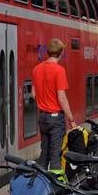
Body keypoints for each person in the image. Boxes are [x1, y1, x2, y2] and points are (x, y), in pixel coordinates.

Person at [32, 38, 76, 171]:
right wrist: (72, 120)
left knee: (44, 154)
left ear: (48, 52)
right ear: (61, 53)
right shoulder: (59, 70)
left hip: (42, 118)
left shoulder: (36, 69)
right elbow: (62, 98)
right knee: (56, 155)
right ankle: (56, 188)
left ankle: (40, 184)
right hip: (55, 119)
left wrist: (43, 102)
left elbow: (34, 94)